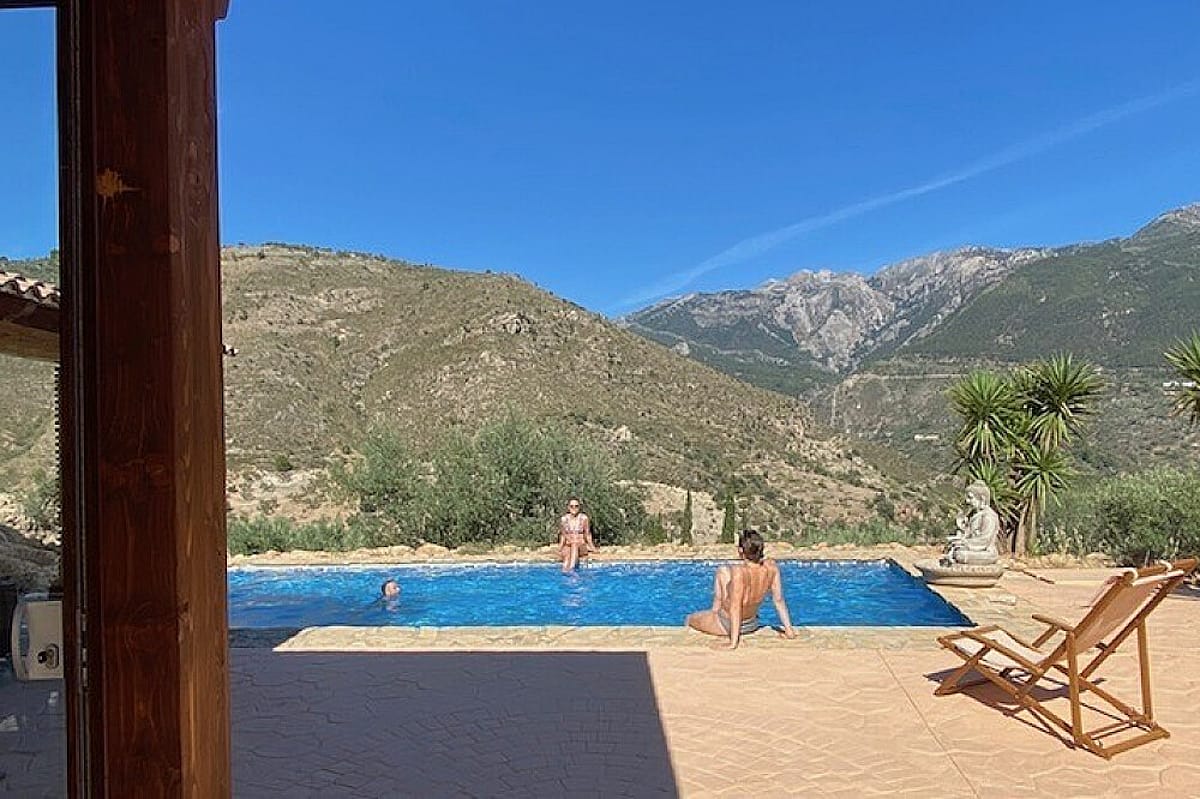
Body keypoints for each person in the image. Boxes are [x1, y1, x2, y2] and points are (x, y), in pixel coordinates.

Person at [686, 529, 797, 650]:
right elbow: (779, 600)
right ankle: (714, 611)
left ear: (741, 551)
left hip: (727, 624)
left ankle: (714, 616)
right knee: (722, 571)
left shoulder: (739, 572)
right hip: (753, 622)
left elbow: (735, 607)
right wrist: (789, 631)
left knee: (690, 618)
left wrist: (733, 643)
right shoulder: (771, 567)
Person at [558, 497, 596, 573]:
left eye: (576, 506)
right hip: (568, 545)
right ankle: (565, 573)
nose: (574, 508)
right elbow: (563, 535)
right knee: (567, 557)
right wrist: (560, 548)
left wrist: (592, 547)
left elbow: (587, 534)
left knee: (574, 545)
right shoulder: (564, 519)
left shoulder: (584, 518)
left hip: (580, 546)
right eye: (572, 506)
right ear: (568, 507)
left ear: (579, 507)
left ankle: (572, 570)